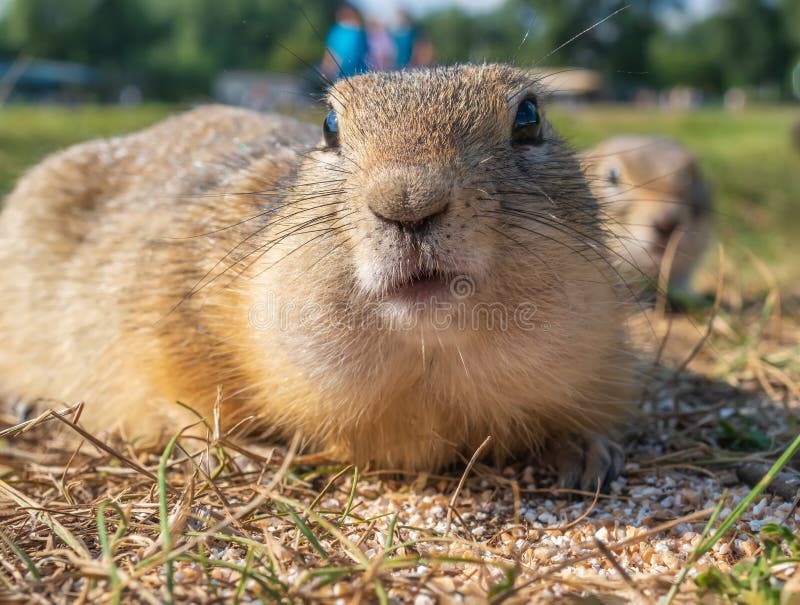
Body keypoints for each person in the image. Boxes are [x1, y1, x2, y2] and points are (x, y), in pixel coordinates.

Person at [321, 3, 369, 80]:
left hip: (357, 72)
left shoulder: (358, 31)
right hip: (349, 73)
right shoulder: (338, 30)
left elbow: (329, 52)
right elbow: (330, 52)